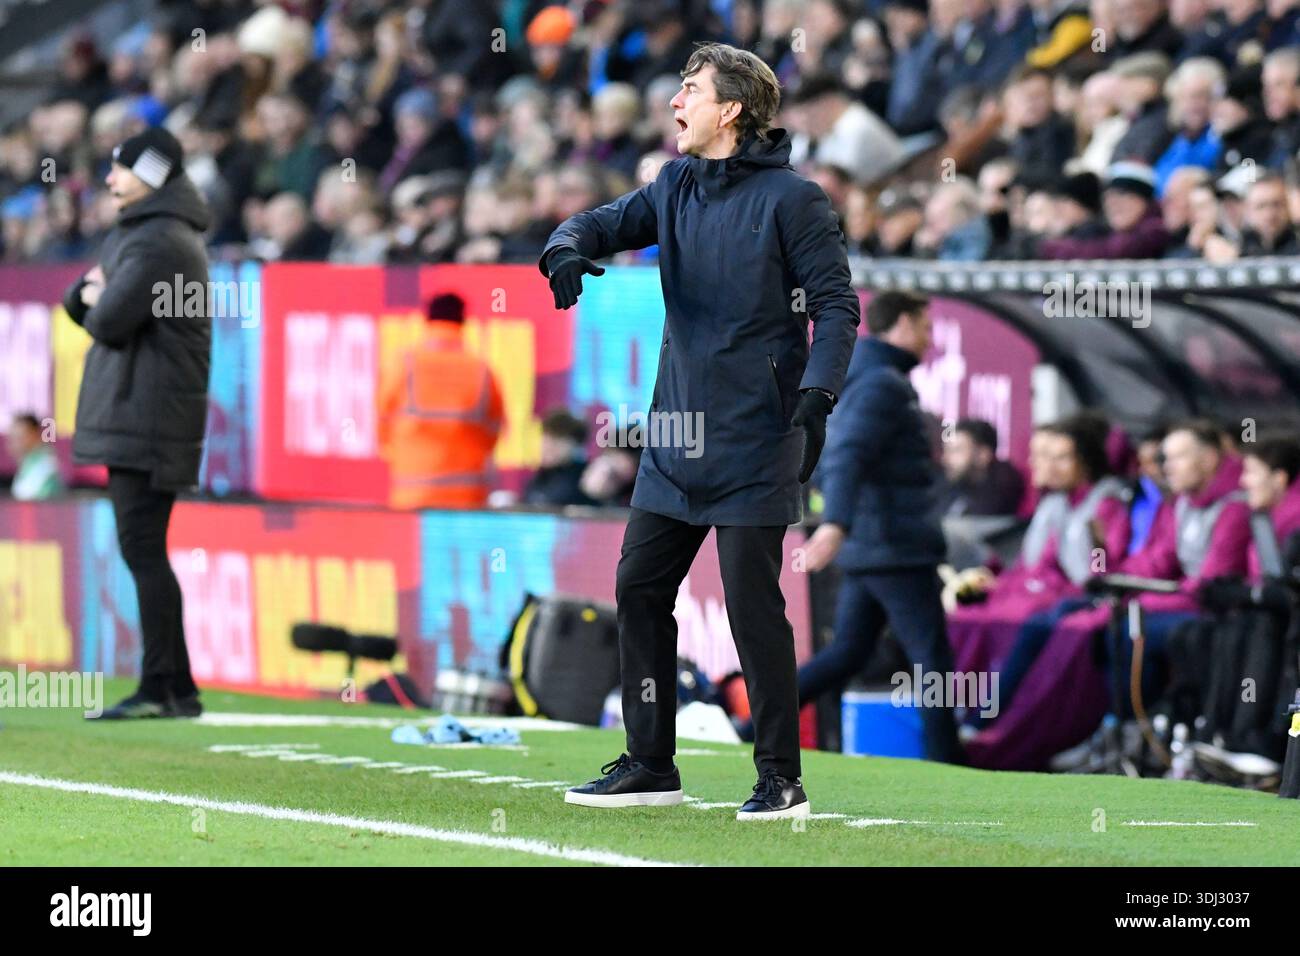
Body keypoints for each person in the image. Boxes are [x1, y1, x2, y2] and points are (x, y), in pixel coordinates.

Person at [540, 43, 858, 819]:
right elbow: (600, 220)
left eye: (689, 89)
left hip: (759, 435)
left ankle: (780, 777)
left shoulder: (795, 201)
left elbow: (837, 305)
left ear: (731, 110)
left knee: (755, 609)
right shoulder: (676, 182)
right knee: (639, 589)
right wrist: (565, 247)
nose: (674, 101)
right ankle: (651, 762)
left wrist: (817, 396)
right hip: (676, 438)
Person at [60, 126, 211, 720]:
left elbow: (108, 318)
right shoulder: (154, 235)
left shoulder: (158, 243)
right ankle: (178, 687)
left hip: (147, 420)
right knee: (146, 551)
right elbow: (85, 300)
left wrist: (96, 299)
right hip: (147, 417)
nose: (109, 178)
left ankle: (161, 687)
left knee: (143, 551)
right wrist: (91, 297)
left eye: (121, 169)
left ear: (151, 175)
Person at [789, 291, 964, 763]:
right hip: (895, 546)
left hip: (875, 544)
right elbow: (847, 455)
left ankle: (753, 722)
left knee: (848, 651)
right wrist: (837, 525)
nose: (929, 340)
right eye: (925, 328)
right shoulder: (882, 384)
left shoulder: (861, 376)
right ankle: (949, 766)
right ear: (902, 324)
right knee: (933, 662)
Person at [377, 292, 504, 510]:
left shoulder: (404, 365)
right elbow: (495, 426)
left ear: (427, 321)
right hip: (467, 497)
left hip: (412, 493)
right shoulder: (480, 370)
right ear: (463, 322)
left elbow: (383, 420)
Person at [939, 418, 1026, 517]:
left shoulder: (1002, 487)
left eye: (956, 451)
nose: (945, 460)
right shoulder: (950, 486)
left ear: (983, 455)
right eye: (946, 451)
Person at [522, 409, 594, 507]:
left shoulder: (587, 481)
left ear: (576, 445)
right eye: (546, 437)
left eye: (557, 439)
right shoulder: (540, 477)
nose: (548, 446)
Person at [6, 413, 64, 500]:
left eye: (19, 438)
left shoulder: (45, 465)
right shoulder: (27, 464)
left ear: (35, 434)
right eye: (12, 438)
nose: (13, 444)